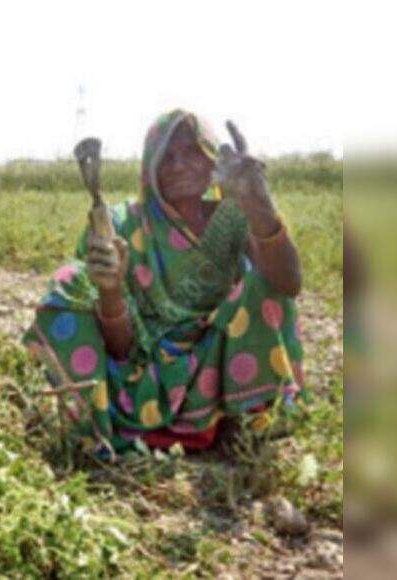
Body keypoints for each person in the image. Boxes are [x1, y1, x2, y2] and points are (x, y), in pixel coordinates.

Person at [23, 109, 304, 458]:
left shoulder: (237, 216)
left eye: (191, 151)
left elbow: (289, 285)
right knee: (69, 281)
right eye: (166, 156)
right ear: (149, 166)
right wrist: (110, 290)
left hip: (217, 362)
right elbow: (122, 349)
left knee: (263, 285)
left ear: (212, 157)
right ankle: (98, 424)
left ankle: (241, 421)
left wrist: (259, 203)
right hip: (142, 373)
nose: (179, 165)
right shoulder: (121, 225)